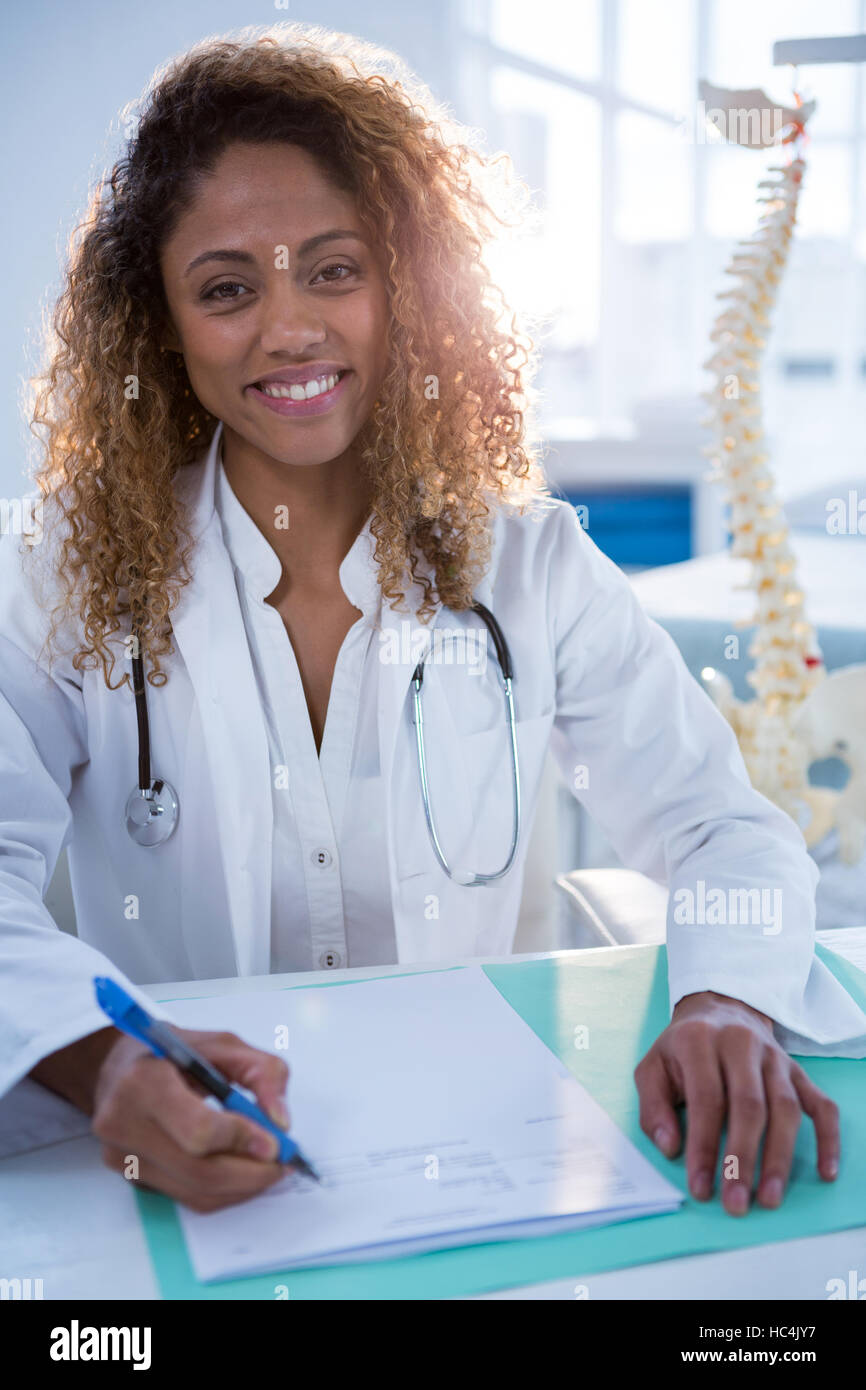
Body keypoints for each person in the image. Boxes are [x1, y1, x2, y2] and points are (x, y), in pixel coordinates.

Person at [2, 22, 863, 1217]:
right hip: (188, 1176)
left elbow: (718, 827)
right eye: (227, 288)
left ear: (407, 284)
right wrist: (106, 1063)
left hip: (477, 1167)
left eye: (334, 268)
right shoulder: (59, 570)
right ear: (159, 324)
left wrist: (719, 1001)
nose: (290, 326)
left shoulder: (530, 561)